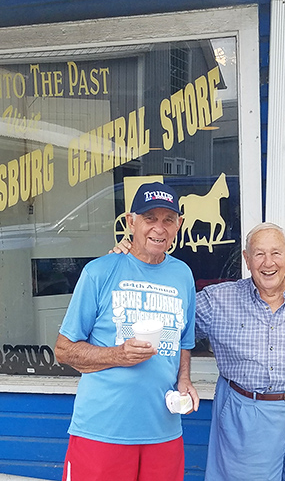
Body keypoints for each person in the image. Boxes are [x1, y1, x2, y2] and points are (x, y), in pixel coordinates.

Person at [55, 181, 199, 481]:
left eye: (168, 220)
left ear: (179, 225)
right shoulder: (99, 272)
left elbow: (184, 341)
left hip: (164, 430)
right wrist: (118, 354)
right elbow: (64, 349)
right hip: (102, 430)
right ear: (131, 222)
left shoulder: (183, 275)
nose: (159, 229)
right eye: (150, 218)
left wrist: (184, 378)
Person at [196, 222, 285, 481]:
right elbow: (171, 319)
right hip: (248, 416)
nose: (268, 262)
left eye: (276, 253)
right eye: (259, 253)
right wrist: (134, 260)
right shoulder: (218, 300)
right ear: (247, 259)